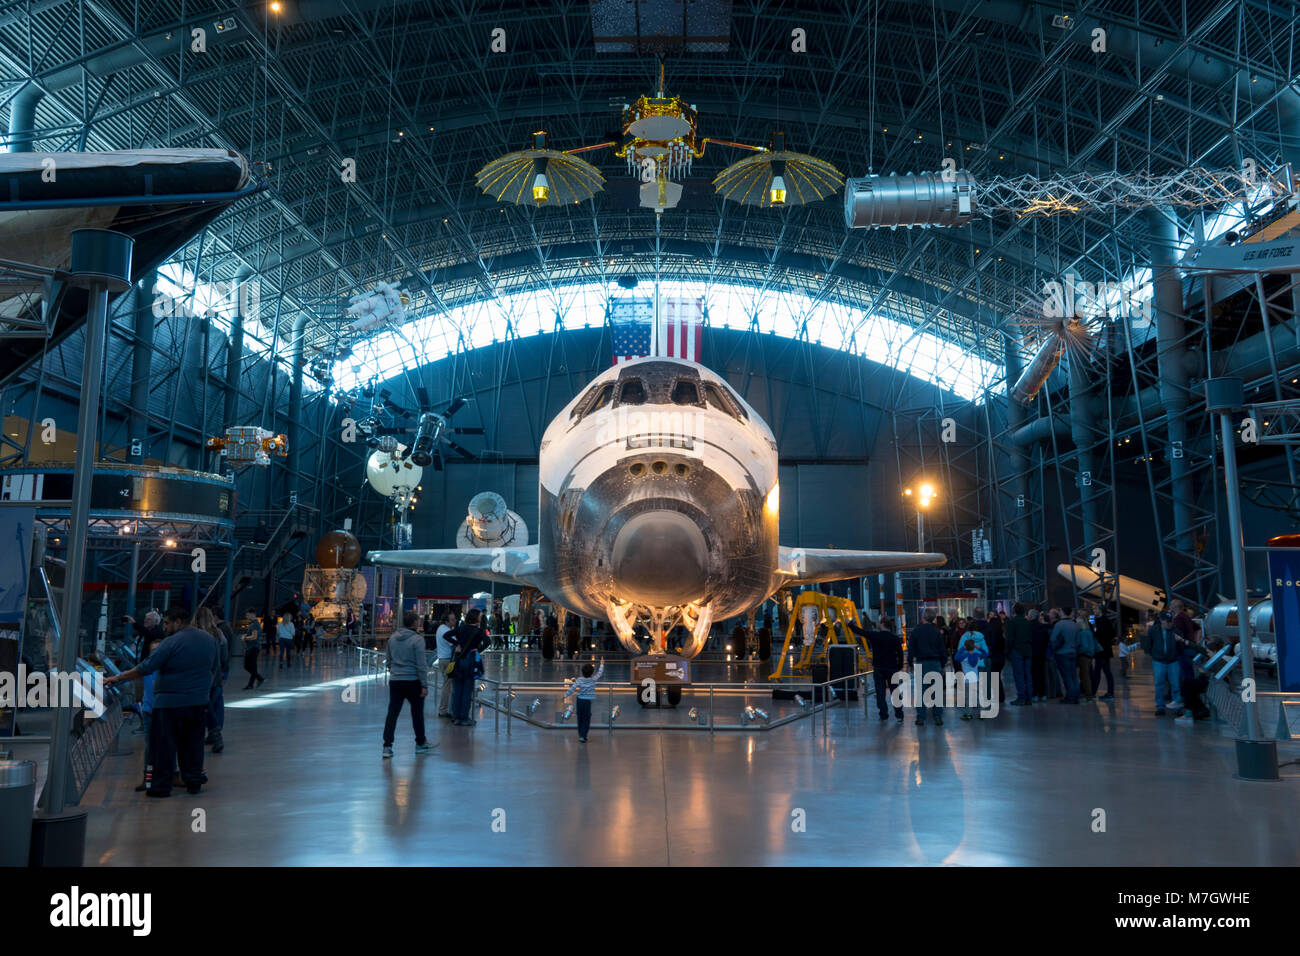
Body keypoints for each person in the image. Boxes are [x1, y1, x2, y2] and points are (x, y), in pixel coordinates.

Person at [105, 605, 219, 797]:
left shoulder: (171, 642)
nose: (164, 627)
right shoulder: (209, 640)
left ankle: (161, 787)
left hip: (170, 703)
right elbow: (214, 669)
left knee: (164, 746)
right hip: (198, 702)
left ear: (178, 622)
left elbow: (146, 667)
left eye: (167, 623)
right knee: (193, 744)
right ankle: (193, 782)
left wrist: (117, 678)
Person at [382, 610, 437, 758]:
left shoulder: (392, 638)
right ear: (414, 623)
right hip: (413, 682)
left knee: (392, 714)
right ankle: (420, 743)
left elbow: (388, 660)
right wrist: (424, 685)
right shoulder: (417, 640)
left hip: (396, 681)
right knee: (417, 714)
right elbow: (421, 664)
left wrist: (395, 672)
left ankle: (387, 746)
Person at [848, 615, 905, 721]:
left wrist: (850, 625)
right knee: (895, 691)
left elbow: (861, 632)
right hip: (892, 668)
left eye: (879, 622)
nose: (878, 624)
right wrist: (899, 666)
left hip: (879, 668)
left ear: (882, 624)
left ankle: (883, 714)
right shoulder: (895, 638)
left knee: (880, 692)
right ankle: (899, 714)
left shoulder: (875, 636)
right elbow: (900, 654)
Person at [131, 628, 165, 791]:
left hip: (164, 710)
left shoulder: (166, 669)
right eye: (153, 652)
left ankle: (169, 774)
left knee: (167, 744)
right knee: (150, 746)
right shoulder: (146, 667)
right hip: (149, 710)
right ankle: (148, 777)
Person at [195, 607, 229, 753]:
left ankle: (213, 734)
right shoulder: (219, 634)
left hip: (202, 677)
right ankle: (215, 734)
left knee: (205, 707)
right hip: (216, 676)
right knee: (214, 705)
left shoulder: (197, 635)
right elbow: (224, 657)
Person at [906, 608, 947, 726]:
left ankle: (921, 717)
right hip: (935, 663)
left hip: (921, 663)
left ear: (923, 617)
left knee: (920, 691)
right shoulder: (937, 632)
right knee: (937, 691)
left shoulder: (916, 631)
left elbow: (911, 649)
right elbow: (942, 650)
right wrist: (943, 664)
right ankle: (937, 717)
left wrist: (910, 663)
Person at [450, 609, 489, 725]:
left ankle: (456, 716)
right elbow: (488, 642)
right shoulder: (479, 631)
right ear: (476, 617)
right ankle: (464, 718)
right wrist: (478, 649)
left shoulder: (461, 628)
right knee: (467, 690)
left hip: (459, 660)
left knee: (457, 690)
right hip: (470, 661)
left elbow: (446, 635)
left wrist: (457, 644)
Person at [1142, 611, 1183, 715]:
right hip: (1159, 661)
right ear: (1162, 621)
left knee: (1175, 685)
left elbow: (1181, 645)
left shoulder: (1175, 630)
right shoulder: (1153, 630)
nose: (1170, 624)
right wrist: (1155, 655)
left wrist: (1175, 653)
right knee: (1159, 684)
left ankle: (1176, 707)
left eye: (1171, 621)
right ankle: (1160, 707)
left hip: (1172, 661)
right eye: (1167, 622)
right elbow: (1148, 644)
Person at [563, 658, 606, 742]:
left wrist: (565, 695)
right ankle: (583, 735)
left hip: (579, 701)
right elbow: (600, 673)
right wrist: (602, 664)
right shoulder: (593, 679)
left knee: (580, 717)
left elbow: (572, 688)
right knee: (587, 718)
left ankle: (580, 735)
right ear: (592, 673)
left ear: (582, 672)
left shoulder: (579, 680)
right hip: (587, 702)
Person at [1050, 607, 1081, 704]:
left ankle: (1070, 697)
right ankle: (1076, 697)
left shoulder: (1059, 625)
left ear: (1062, 612)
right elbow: (1078, 641)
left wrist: (1055, 648)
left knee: (1066, 676)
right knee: (1074, 675)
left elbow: (1053, 639)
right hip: (1073, 652)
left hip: (1062, 653)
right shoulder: (1075, 625)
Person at [1005, 603, 1033, 705]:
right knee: (1028, 675)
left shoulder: (1012, 622)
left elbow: (1009, 638)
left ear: (1014, 611)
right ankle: (1029, 697)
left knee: (1019, 675)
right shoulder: (1027, 622)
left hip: (1017, 650)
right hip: (1028, 650)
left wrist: (1007, 651)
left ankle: (1021, 697)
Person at [955, 637, 987, 720]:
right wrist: (979, 648)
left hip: (967, 681)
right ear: (974, 646)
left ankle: (969, 714)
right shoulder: (977, 656)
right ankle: (982, 714)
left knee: (968, 698)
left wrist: (963, 648)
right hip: (976, 680)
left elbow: (956, 657)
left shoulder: (964, 657)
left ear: (966, 647)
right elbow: (986, 654)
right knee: (978, 697)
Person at [435, 611, 457, 719]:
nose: (455, 621)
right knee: (447, 686)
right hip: (447, 660)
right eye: (452, 619)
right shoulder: (446, 631)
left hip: (442, 659)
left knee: (446, 685)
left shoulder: (440, 628)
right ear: (447, 621)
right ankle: (443, 710)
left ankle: (444, 709)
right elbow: (454, 644)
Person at [1092, 610, 1116, 699]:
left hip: (1100, 651)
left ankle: (1093, 692)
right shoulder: (1106, 620)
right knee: (1107, 672)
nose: (1094, 611)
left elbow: (1096, 633)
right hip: (1106, 650)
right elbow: (1112, 634)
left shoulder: (1098, 621)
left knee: (1097, 672)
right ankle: (1110, 692)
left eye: (1095, 609)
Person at [1028, 609, 1050, 701]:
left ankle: (1034, 694)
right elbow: (1046, 641)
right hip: (1041, 653)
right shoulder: (1043, 627)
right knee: (1041, 674)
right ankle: (1043, 693)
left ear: (1031, 616)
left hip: (1032, 653)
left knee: (1033, 674)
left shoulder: (1028, 627)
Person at [1075, 613, 1097, 702]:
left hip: (1084, 656)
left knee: (1084, 676)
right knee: (1085, 675)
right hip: (1089, 656)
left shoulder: (1083, 633)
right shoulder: (1089, 632)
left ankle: (1088, 694)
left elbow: (1084, 646)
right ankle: (1088, 694)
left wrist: (1078, 652)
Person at [241, 613, 264, 689]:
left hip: (253, 648)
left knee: (252, 666)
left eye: (247, 615)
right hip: (251, 648)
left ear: (252, 614)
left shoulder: (255, 624)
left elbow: (254, 637)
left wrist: (245, 638)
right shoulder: (253, 624)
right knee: (248, 666)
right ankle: (259, 678)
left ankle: (251, 684)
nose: (246, 617)